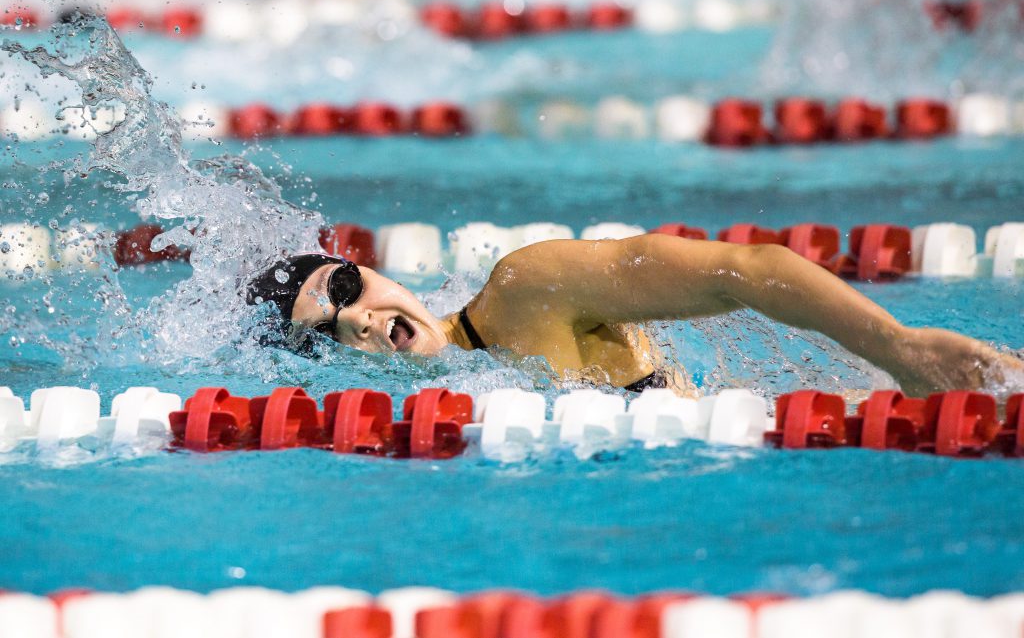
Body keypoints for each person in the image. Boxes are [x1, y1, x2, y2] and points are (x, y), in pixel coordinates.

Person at [246, 234, 1022, 397]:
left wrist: (899, 346)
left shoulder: (526, 289)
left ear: (369, 267)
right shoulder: (420, 438)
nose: (355, 321)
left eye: (344, 288)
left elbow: (745, 272)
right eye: (324, 335)